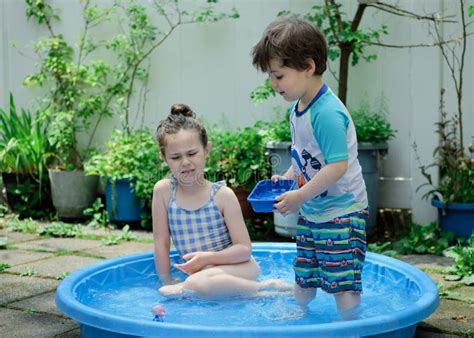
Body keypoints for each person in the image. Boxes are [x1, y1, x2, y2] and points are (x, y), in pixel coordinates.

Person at [251, 16, 369, 319]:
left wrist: (300, 197)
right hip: (316, 211)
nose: (272, 83)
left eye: (278, 75)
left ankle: (351, 326)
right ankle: (299, 315)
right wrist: (289, 179)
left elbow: (337, 166)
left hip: (342, 212)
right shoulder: (297, 108)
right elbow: (304, 155)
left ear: (308, 66)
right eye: (270, 76)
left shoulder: (326, 112)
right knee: (305, 272)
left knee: (342, 282)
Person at [152, 103, 291, 299]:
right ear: (164, 157)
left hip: (237, 268)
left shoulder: (222, 195)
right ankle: (256, 289)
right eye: (175, 157)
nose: (185, 162)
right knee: (189, 283)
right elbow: (161, 243)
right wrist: (166, 279)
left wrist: (207, 259)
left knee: (193, 283)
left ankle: (263, 289)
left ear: (206, 150)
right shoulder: (163, 192)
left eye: (192, 153)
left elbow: (244, 250)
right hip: (202, 273)